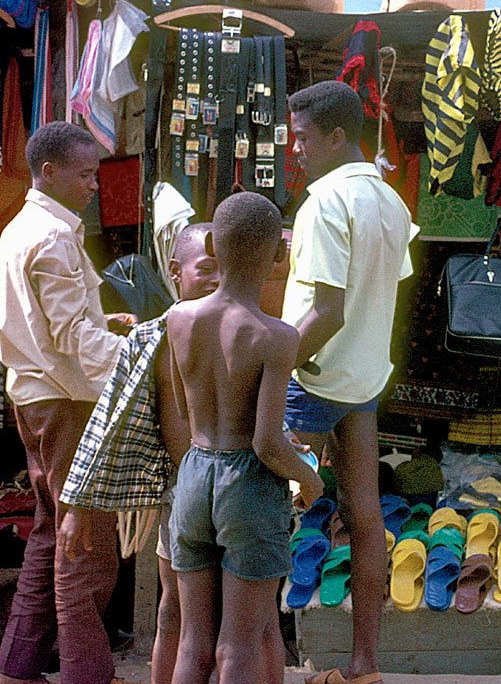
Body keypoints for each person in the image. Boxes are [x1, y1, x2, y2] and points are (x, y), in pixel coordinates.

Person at [58, 223, 287, 684]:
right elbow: (110, 424)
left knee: (255, 623)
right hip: (182, 493)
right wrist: (77, 507)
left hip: (230, 488)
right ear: (174, 272)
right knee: (176, 613)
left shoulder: (253, 330)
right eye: (204, 269)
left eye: (222, 267)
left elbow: (268, 427)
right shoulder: (156, 338)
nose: (215, 277)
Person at [282, 80, 413, 684]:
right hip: (362, 379)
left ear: (337, 137)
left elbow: (327, 311)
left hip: (312, 378)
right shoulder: (391, 200)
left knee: (258, 513)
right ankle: (365, 667)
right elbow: (381, 286)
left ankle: (254, 658)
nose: (295, 149)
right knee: (367, 519)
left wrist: (271, 364)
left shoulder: (323, 203)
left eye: (304, 138)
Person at [164, 193, 323, 684]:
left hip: (193, 476)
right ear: (280, 255)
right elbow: (266, 444)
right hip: (249, 487)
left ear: (212, 243)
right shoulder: (276, 336)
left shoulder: (179, 320)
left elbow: (183, 411)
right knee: (239, 646)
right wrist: (308, 480)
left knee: (194, 642)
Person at [0, 122, 132, 684]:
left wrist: (108, 327)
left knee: (54, 530)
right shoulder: (52, 237)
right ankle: (87, 673)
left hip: (34, 397)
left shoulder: (20, 227)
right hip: (65, 402)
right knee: (85, 544)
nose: (94, 185)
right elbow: (72, 335)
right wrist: (136, 359)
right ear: (49, 173)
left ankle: (19, 664)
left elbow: (62, 325)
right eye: (85, 175)